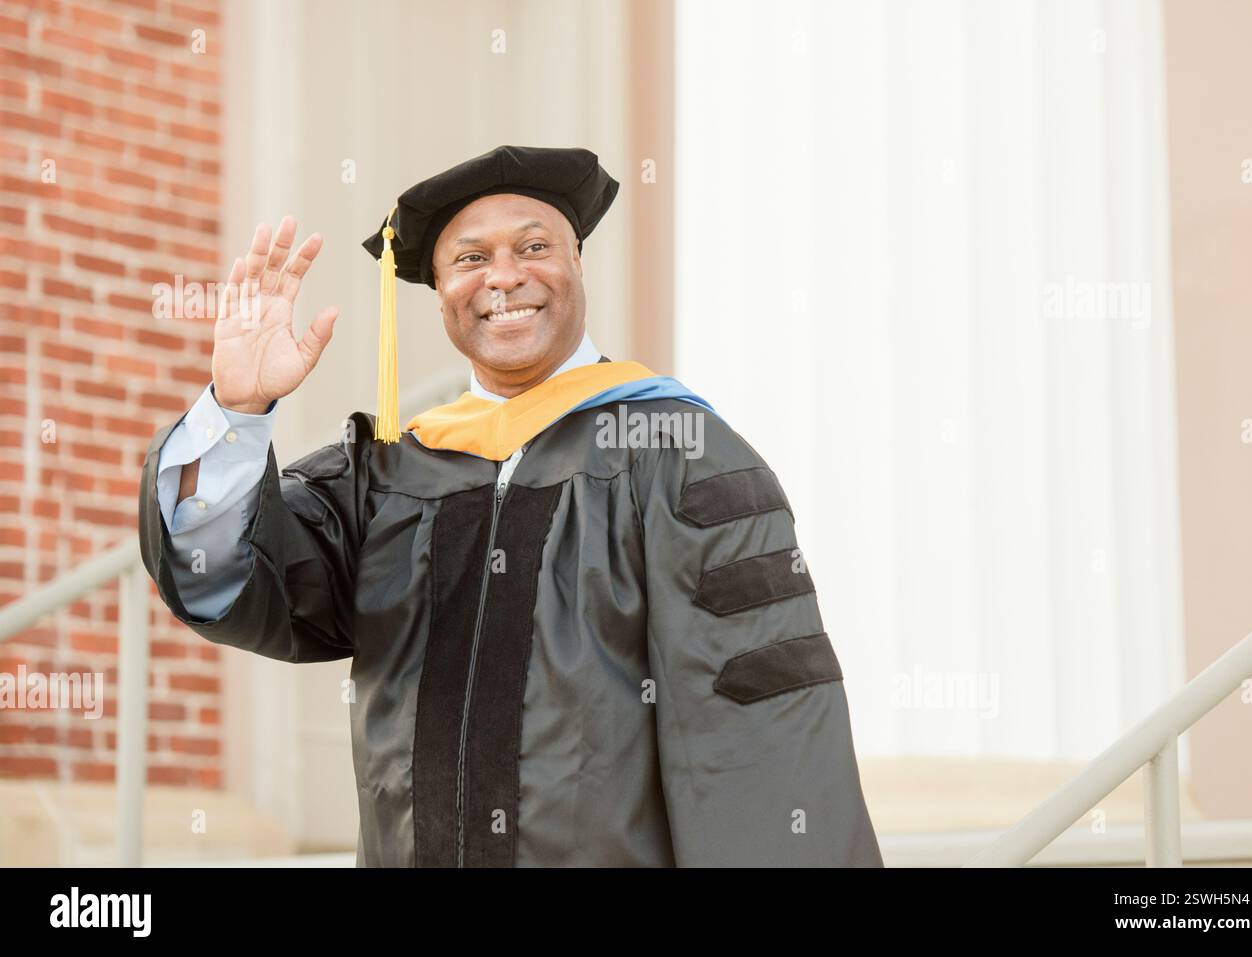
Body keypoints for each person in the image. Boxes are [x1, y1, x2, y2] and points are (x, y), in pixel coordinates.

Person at [137, 145, 885, 867]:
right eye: (469, 258)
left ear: (577, 263)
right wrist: (237, 412)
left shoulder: (678, 452)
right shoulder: (390, 473)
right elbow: (225, 580)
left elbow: (760, 741)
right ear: (437, 291)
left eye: (533, 247)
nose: (504, 277)